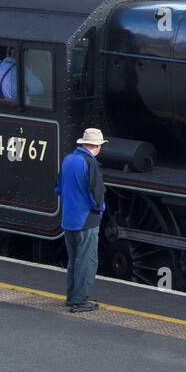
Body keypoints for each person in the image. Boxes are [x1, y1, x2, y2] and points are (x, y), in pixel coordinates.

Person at [55, 128, 107, 313]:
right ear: (98, 146)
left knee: (74, 260)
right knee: (87, 261)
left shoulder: (68, 159)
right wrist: (100, 209)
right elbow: (97, 195)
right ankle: (80, 300)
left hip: (68, 218)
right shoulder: (91, 164)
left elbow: (58, 188)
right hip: (86, 219)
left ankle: (72, 297)